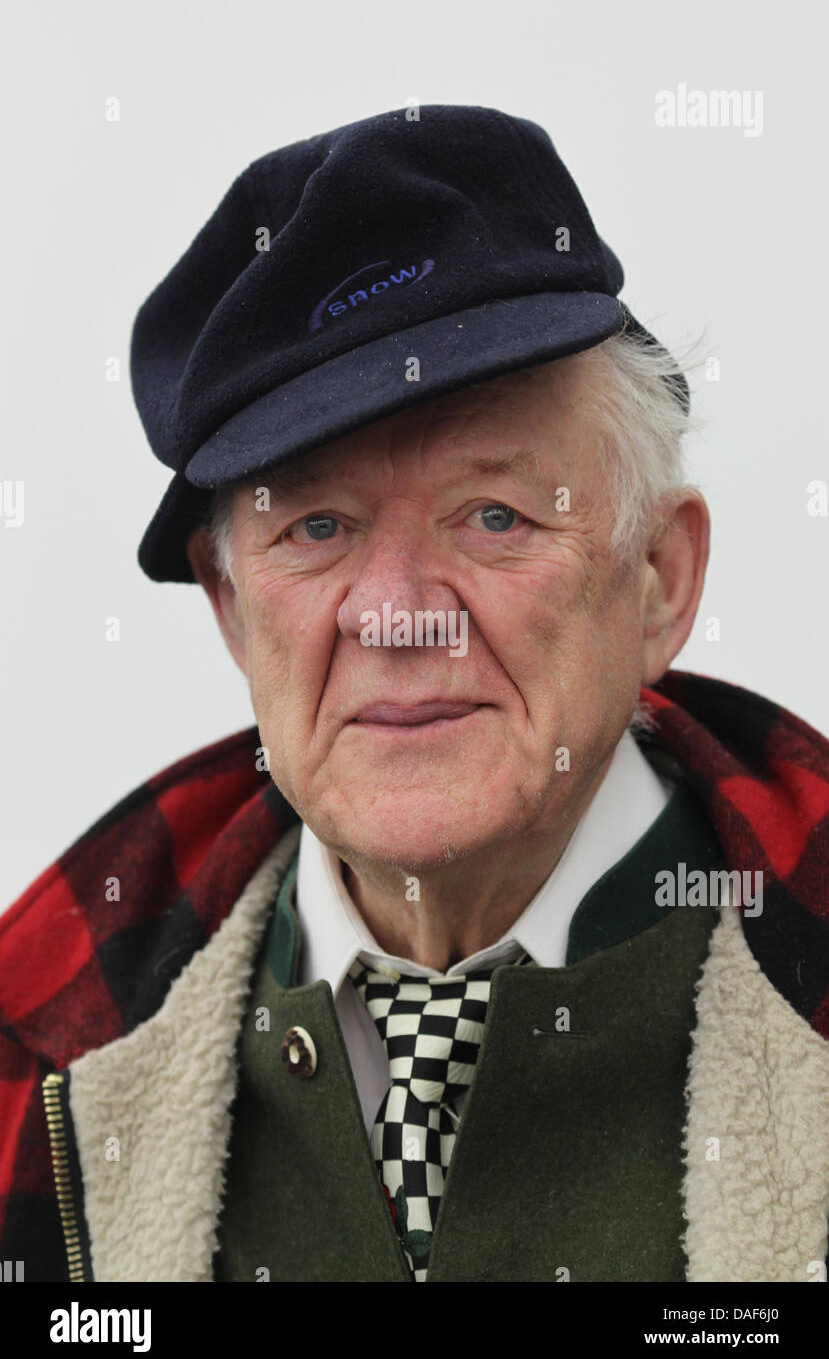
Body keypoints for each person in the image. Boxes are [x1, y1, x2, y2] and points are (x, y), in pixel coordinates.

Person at [1, 104, 827, 1284]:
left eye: (493, 514)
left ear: (658, 578)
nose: (395, 613)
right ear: (232, 609)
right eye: (318, 527)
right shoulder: (41, 1060)